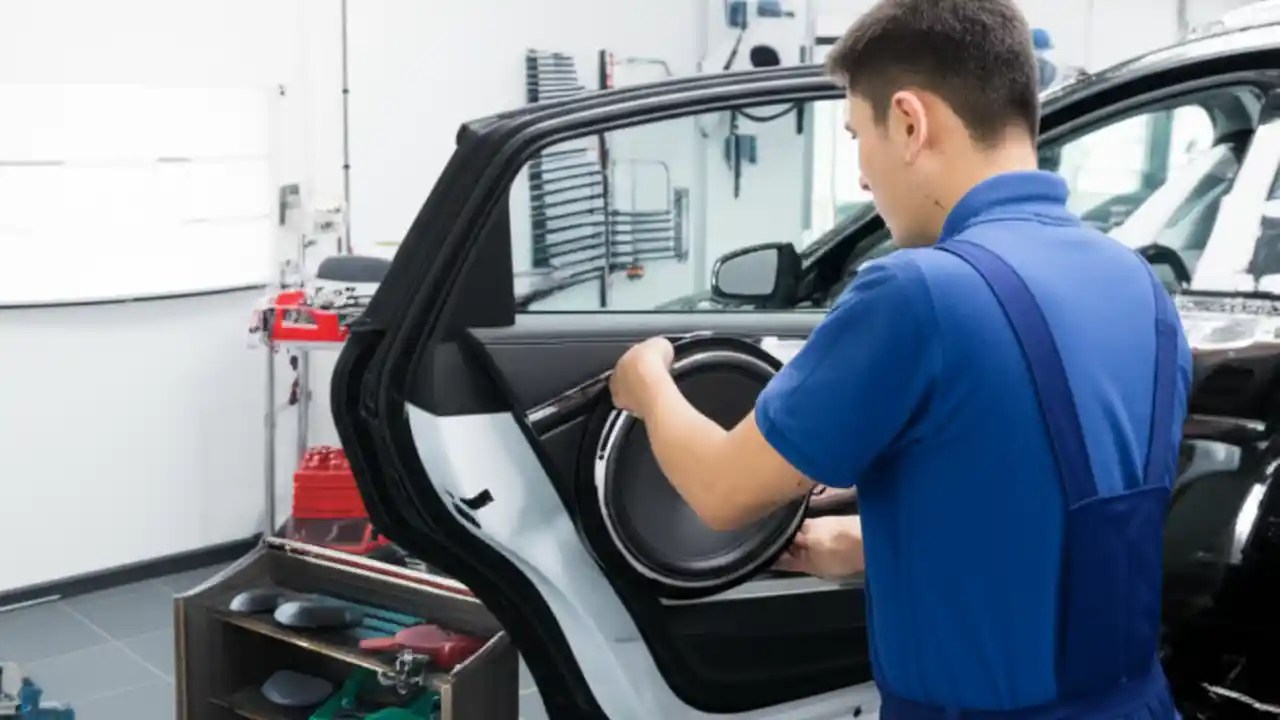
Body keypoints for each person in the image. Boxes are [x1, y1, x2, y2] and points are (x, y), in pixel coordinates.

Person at [607, 0, 1192, 716]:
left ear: (910, 122)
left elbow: (722, 493)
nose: (861, 175)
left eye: (858, 134)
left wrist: (650, 387)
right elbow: (1068, 511)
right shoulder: (1141, 286)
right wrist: (879, 546)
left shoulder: (918, 294)